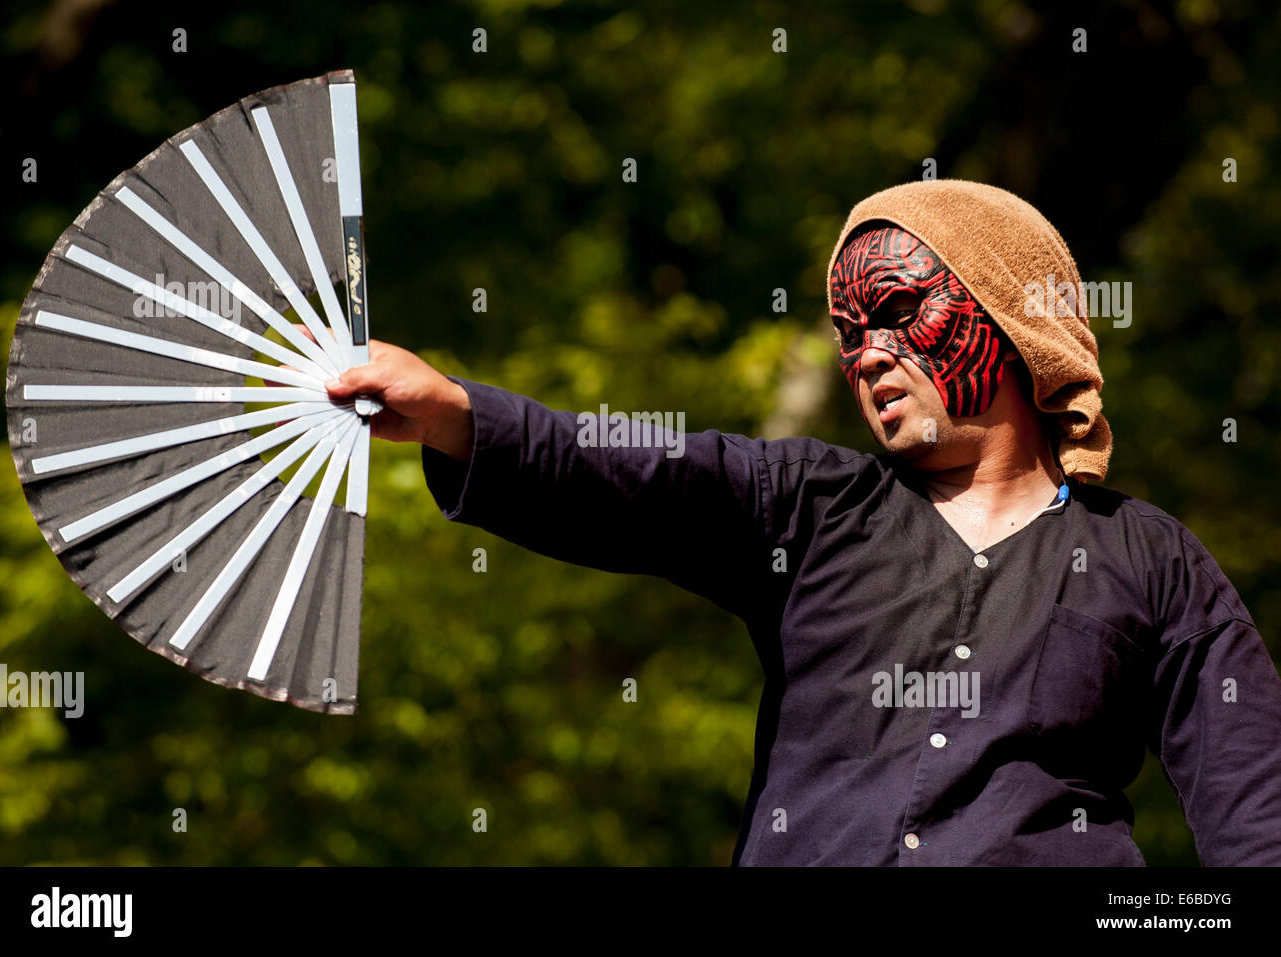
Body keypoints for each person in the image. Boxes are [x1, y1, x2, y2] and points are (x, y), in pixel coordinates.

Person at [322, 180, 1281, 865]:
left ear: (1010, 317)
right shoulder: (810, 506)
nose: (865, 354)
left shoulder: (1152, 560)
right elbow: (623, 473)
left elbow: (1256, 807)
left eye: (896, 310)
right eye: (847, 331)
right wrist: (455, 412)